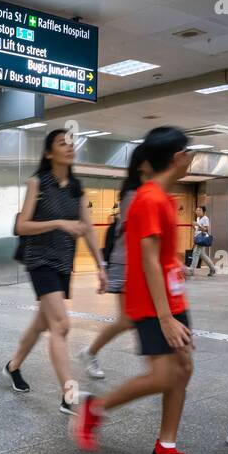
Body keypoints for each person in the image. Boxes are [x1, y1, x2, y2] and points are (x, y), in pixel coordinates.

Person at [72, 128, 207, 454]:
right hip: (150, 303)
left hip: (170, 299)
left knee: (183, 368)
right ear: (177, 157)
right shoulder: (149, 198)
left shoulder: (162, 196)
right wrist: (164, 317)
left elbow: (161, 258)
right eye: (188, 152)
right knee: (165, 375)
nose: (191, 158)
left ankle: (166, 448)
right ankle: (95, 409)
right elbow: (147, 259)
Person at [4, 129, 107, 414]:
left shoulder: (76, 187)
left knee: (42, 323)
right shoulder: (38, 183)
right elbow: (22, 226)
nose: (69, 147)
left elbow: (87, 228)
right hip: (40, 260)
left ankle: (13, 367)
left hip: (63, 262)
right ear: (49, 153)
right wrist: (59, 223)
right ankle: (69, 394)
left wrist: (101, 266)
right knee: (61, 325)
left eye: (71, 143)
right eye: (62, 143)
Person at [77, 143, 144, 379]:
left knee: (135, 318)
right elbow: (137, 234)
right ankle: (91, 351)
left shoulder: (141, 192)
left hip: (137, 263)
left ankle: (152, 359)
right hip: (128, 264)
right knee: (129, 319)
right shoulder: (133, 195)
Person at [188, 205, 217, 276]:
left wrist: (198, 225)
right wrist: (194, 226)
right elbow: (197, 229)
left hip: (202, 239)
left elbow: (206, 229)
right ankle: (212, 268)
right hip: (198, 238)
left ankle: (191, 270)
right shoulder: (198, 218)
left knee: (195, 253)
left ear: (204, 212)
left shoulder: (205, 218)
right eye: (197, 210)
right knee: (202, 255)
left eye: (199, 210)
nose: (197, 211)